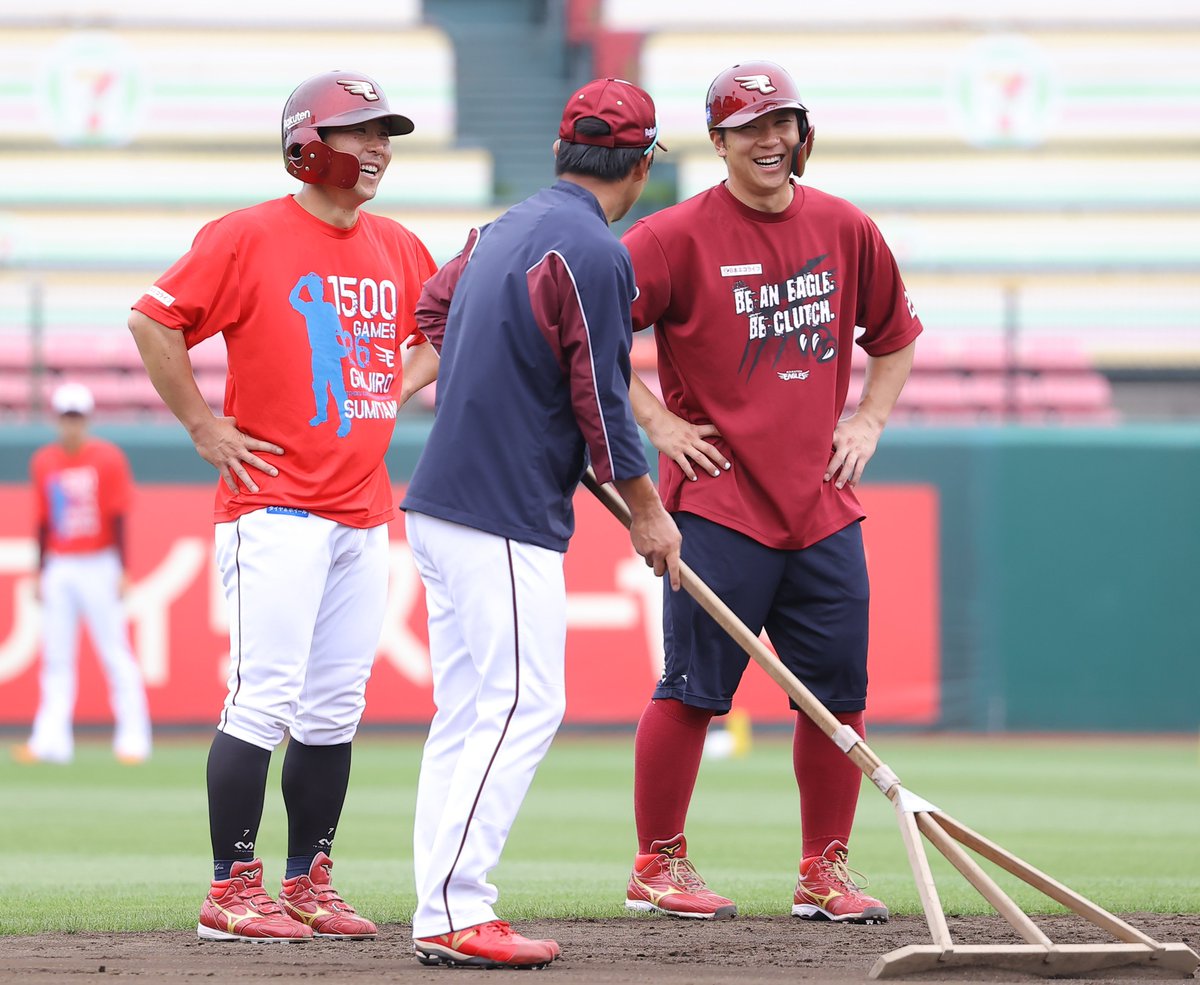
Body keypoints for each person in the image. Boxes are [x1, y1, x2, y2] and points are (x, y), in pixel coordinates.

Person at [127, 69, 440, 942]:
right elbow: (154, 320)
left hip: (361, 508)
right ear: (308, 143)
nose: (378, 148)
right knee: (263, 696)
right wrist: (202, 427)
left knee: (336, 704)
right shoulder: (249, 234)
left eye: (385, 133)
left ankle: (307, 881)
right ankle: (231, 888)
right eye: (359, 132)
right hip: (273, 504)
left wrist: (392, 386)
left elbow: (435, 339)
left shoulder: (397, 244)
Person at [622, 60, 922, 924]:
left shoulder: (843, 225)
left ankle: (822, 870)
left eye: (780, 123)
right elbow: (593, 334)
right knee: (691, 689)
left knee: (839, 696)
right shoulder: (672, 236)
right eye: (748, 127)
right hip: (718, 504)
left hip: (823, 506)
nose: (768, 140)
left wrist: (867, 421)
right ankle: (658, 865)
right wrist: (659, 424)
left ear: (801, 131)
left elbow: (896, 337)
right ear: (716, 142)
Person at [401, 78, 682, 969]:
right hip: (501, 510)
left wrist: (493, 377)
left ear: (563, 151)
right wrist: (649, 513)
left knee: (470, 709)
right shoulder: (595, 252)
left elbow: (433, 311)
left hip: (444, 503)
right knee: (525, 700)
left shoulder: (500, 229)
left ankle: (441, 901)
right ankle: (456, 907)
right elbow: (603, 401)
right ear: (639, 166)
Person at [14, 382, 152, 767]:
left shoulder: (107, 458)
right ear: (58, 420)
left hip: (98, 561)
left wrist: (124, 568)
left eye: (76, 417)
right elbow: (43, 521)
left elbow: (119, 514)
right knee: (56, 655)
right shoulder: (44, 461)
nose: (71, 425)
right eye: (65, 417)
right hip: (60, 563)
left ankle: (134, 738)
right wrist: (41, 570)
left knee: (115, 652)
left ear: (86, 419)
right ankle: (51, 740)